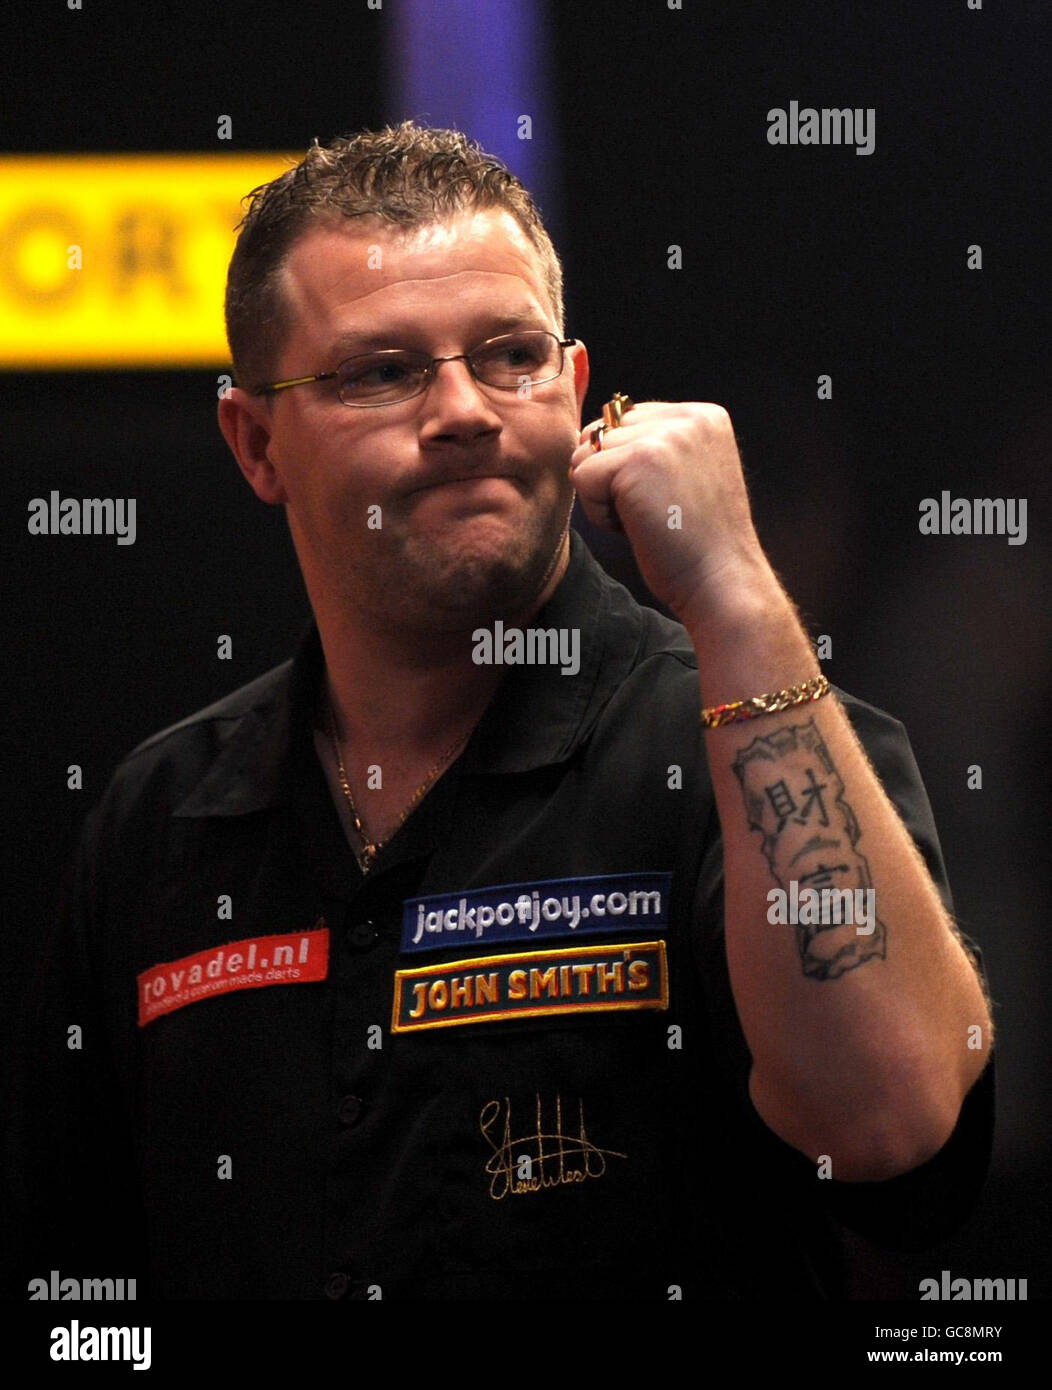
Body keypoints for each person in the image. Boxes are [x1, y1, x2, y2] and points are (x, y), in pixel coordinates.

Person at [11, 122, 994, 1301]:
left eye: (508, 355)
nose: (465, 409)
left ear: (574, 389)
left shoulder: (745, 738)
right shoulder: (162, 817)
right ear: (255, 439)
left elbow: (885, 1129)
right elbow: (78, 1295)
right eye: (380, 371)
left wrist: (730, 585)